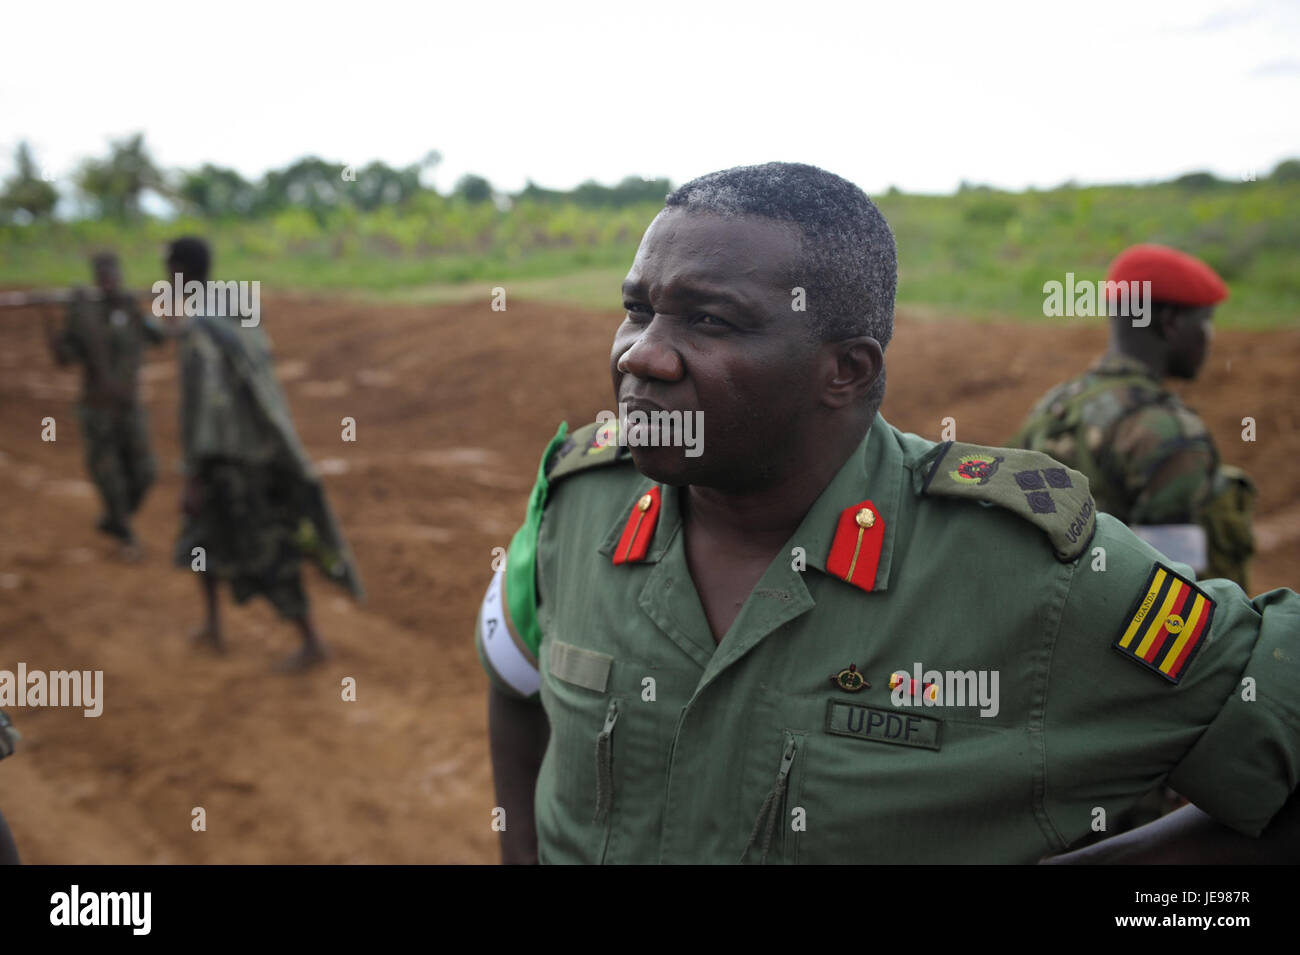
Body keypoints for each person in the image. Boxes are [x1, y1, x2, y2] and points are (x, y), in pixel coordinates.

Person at [476, 163, 1299, 864]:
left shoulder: (1025, 570)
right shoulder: (579, 501)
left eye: (709, 319)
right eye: (637, 308)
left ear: (844, 369)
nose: (641, 353)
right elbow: (514, 676)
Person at [1008, 245, 1255, 591]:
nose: (1210, 337)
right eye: (1205, 321)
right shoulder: (1170, 431)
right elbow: (1176, 591)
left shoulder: (1053, 406)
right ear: (1170, 323)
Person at [167, 237, 363, 671]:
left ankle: (311, 641)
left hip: (232, 464)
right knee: (201, 541)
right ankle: (213, 625)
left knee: (267, 552)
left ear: (180, 270)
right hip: (258, 453)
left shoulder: (202, 330)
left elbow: (207, 410)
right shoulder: (234, 316)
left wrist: (194, 474)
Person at [45, 252, 165, 558]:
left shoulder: (130, 308)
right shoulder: (83, 312)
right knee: (109, 477)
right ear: (97, 278)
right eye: (104, 275)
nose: (110, 281)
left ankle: (115, 520)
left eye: (114, 274)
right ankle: (126, 535)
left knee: (146, 472)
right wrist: (52, 327)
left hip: (130, 407)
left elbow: (159, 337)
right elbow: (64, 357)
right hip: (97, 410)